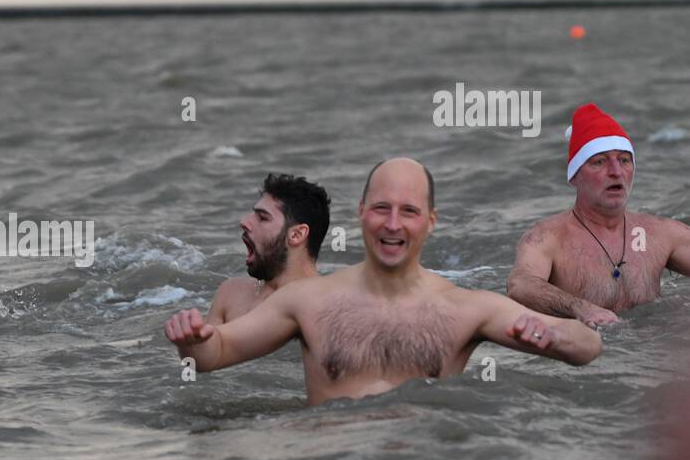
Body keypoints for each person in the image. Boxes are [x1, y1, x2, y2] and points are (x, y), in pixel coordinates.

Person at [165, 158, 601, 405]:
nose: (393, 224)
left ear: (430, 221)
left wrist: (554, 337)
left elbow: (587, 347)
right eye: (381, 209)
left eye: (409, 211)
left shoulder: (468, 308)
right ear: (360, 213)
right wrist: (192, 339)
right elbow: (216, 353)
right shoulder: (307, 301)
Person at [508, 103, 690, 326]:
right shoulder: (547, 237)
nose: (615, 172)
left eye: (624, 160)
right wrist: (580, 308)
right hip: (587, 352)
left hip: (650, 352)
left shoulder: (661, 233)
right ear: (574, 176)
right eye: (599, 162)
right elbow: (521, 284)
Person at [206, 173, 327, 326]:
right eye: (253, 214)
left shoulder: (325, 309)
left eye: (262, 218)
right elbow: (206, 349)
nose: (244, 222)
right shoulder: (230, 295)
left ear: (296, 234)